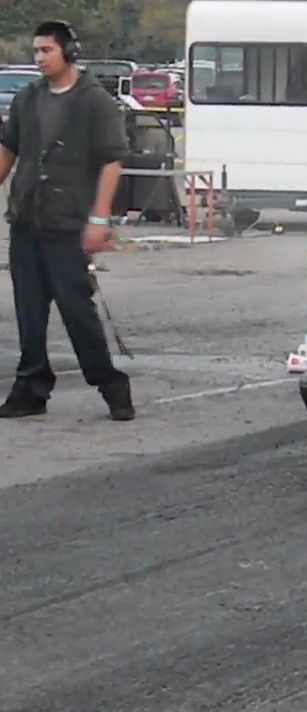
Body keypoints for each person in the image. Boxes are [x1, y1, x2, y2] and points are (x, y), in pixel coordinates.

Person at [0, 20, 134, 421]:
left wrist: (99, 218)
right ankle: (31, 388)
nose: (39, 58)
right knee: (29, 310)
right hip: (28, 219)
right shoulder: (28, 98)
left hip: (68, 222)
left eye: (46, 51)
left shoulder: (94, 102)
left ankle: (110, 383)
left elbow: (112, 161)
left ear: (68, 52)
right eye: (36, 51)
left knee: (77, 309)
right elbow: (8, 149)